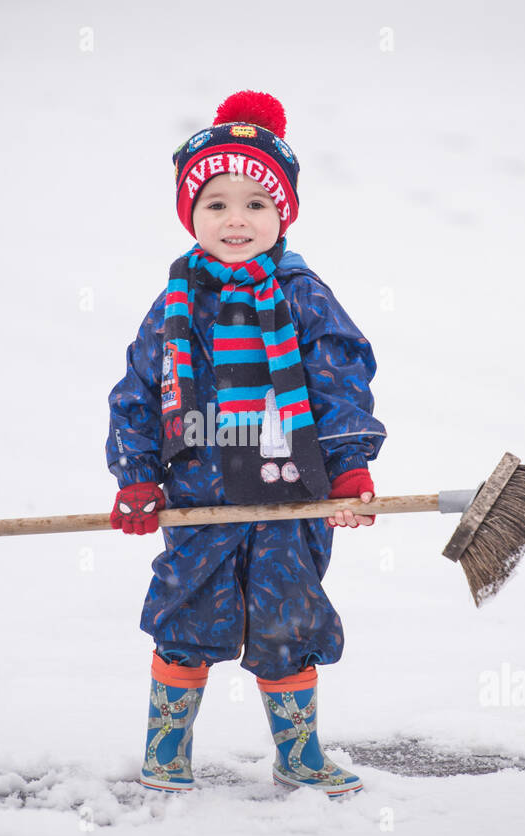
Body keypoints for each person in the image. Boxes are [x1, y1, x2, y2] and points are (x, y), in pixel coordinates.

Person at [106, 90, 386, 798]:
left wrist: (350, 469)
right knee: (186, 618)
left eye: (256, 203)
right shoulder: (178, 304)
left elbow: (339, 378)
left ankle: (299, 754)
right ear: (190, 215)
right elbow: (139, 391)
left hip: (289, 497)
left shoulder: (302, 295)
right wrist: (138, 477)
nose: (236, 219)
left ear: (283, 212)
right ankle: (167, 750)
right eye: (217, 203)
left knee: (289, 621)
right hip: (200, 498)